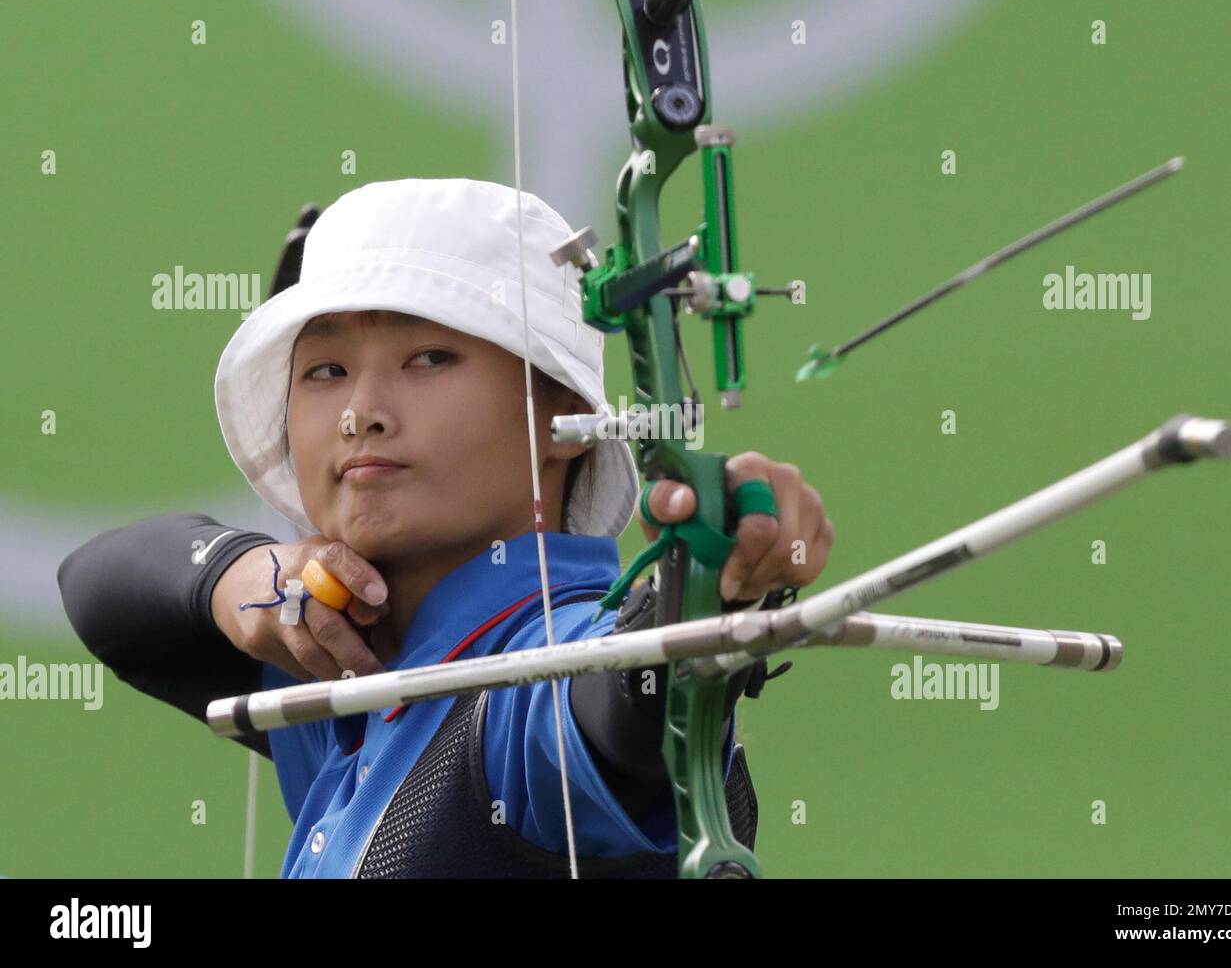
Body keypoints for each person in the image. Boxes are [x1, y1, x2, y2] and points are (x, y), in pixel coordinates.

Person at [58, 178, 833, 877]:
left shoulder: (533, 676)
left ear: (562, 416)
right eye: (326, 371)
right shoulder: (343, 658)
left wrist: (708, 589)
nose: (362, 411)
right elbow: (101, 589)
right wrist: (241, 577)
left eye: (429, 357)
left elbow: (621, 702)